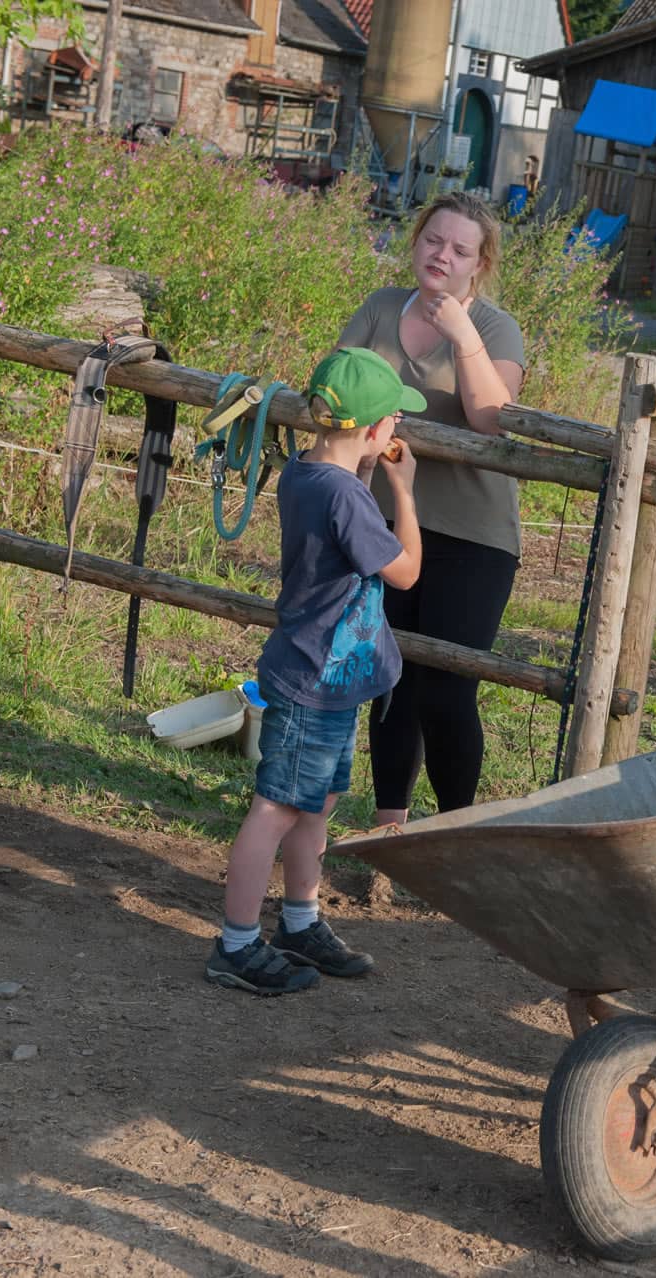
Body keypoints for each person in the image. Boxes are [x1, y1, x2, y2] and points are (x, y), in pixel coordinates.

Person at [204, 349, 424, 995]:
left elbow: (346, 519)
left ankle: (300, 922)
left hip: (325, 673)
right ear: (377, 429)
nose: (398, 427)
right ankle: (236, 944)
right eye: (394, 418)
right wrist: (405, 491)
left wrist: (368, 468)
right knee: (276, 809)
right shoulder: (346, 496)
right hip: (316, 678)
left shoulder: (305, 471)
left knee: (315, 804)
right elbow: (406, 572)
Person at [336, 192, 527, 825]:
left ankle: (453, 833)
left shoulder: (495, 328)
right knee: (390, 680)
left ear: (480, 264)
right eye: (433, 240)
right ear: (416, 241)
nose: (442, 255)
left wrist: (463, 337)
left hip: (473, 535)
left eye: (460, 249)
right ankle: (389, 832)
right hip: (385, 521)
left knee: (447, 689)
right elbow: (335, 388)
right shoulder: (380, 307)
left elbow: (492, 420)